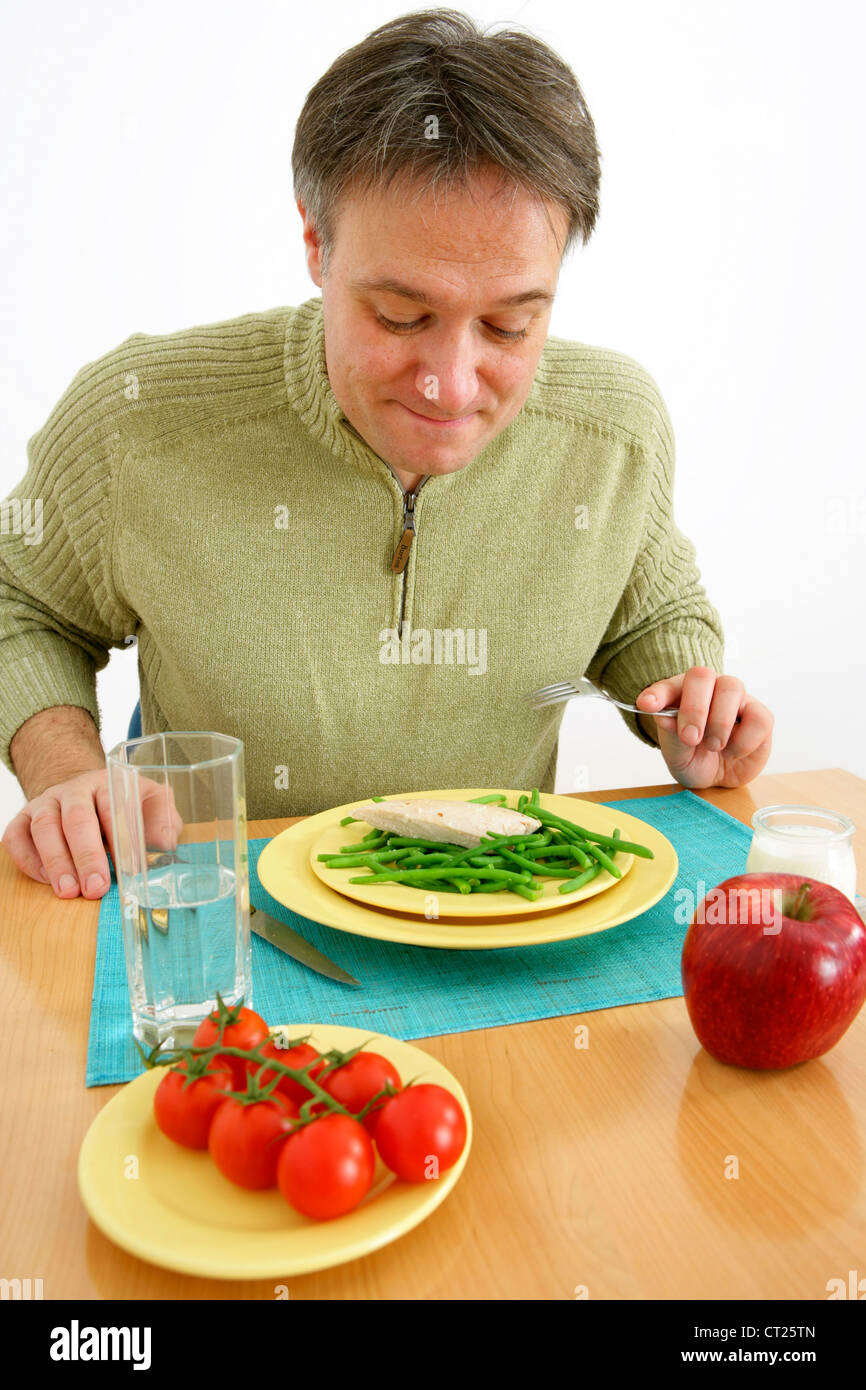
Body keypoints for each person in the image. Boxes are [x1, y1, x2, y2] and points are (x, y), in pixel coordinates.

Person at [0, 8, 773, 901]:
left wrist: (689, 708)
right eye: (401, 317)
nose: (451, 383)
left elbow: (647, 613)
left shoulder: (615, 430)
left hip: (491, 921)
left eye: (510, 325)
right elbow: (22, 599)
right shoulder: (140, 421)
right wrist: (64, 774)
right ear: (315, 243)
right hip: (215, 921)